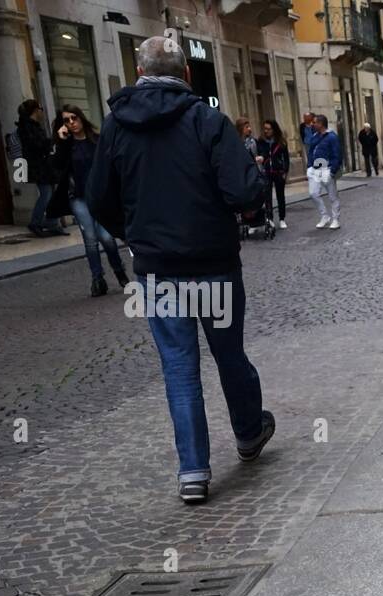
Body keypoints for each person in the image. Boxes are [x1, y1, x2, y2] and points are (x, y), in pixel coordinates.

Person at [87, 35, 274, 504]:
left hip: (157, 269)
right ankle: (249, 433)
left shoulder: (115, 127)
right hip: (213, 264)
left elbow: (97, 199)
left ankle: (193, 470)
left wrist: (134, 233)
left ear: (138, 72)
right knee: (230, 356)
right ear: (186, 75)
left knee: (178, 368)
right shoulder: (208, 120)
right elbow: (245, 193)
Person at [47, 105, 128, 296]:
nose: (71, 123)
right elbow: (56, 168)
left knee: (107, 238)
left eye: (74, 118)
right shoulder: (66, 146)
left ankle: (119, 272)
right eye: (66, 120)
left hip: (100, 197)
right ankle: (97, 280)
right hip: (79, 198)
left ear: (81, 118)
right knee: (90, 239)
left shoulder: (97, 141)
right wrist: (61, 141)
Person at [16, 99, 67, 238]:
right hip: (38, 166)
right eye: (40, 109)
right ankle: (36, 222)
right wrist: (52, 141)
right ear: (35, 110)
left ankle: (52, 223)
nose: (42, 112)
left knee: (51, 195)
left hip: (43, 165)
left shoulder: (33, 125)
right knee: (46, 195)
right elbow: (37, 145)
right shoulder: (27, 127)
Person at [305, 114, 342, 229]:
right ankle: (324, 216)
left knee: (332, 196)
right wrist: (309, 166)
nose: (312, 124)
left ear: (321, 124)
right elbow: (311, 151)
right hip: (315, 169)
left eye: (315, 122)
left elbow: (337, 155)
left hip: (327, 169)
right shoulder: (315, 136)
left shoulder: (332, 137)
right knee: (313, 193)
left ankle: (336, 219)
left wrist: (332, 171)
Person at [259, 119, 290, 229]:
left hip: (278, 172)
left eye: (268, 129)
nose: (266, 131)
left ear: (274, 129)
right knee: (267, 196)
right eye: (265, 129)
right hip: (266, 172)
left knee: (280, 196)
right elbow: (261, 154)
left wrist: (285, 171)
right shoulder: (261, 141)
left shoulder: (281, 142)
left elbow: (286, 158)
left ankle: (282, 219)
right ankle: (269, 218)